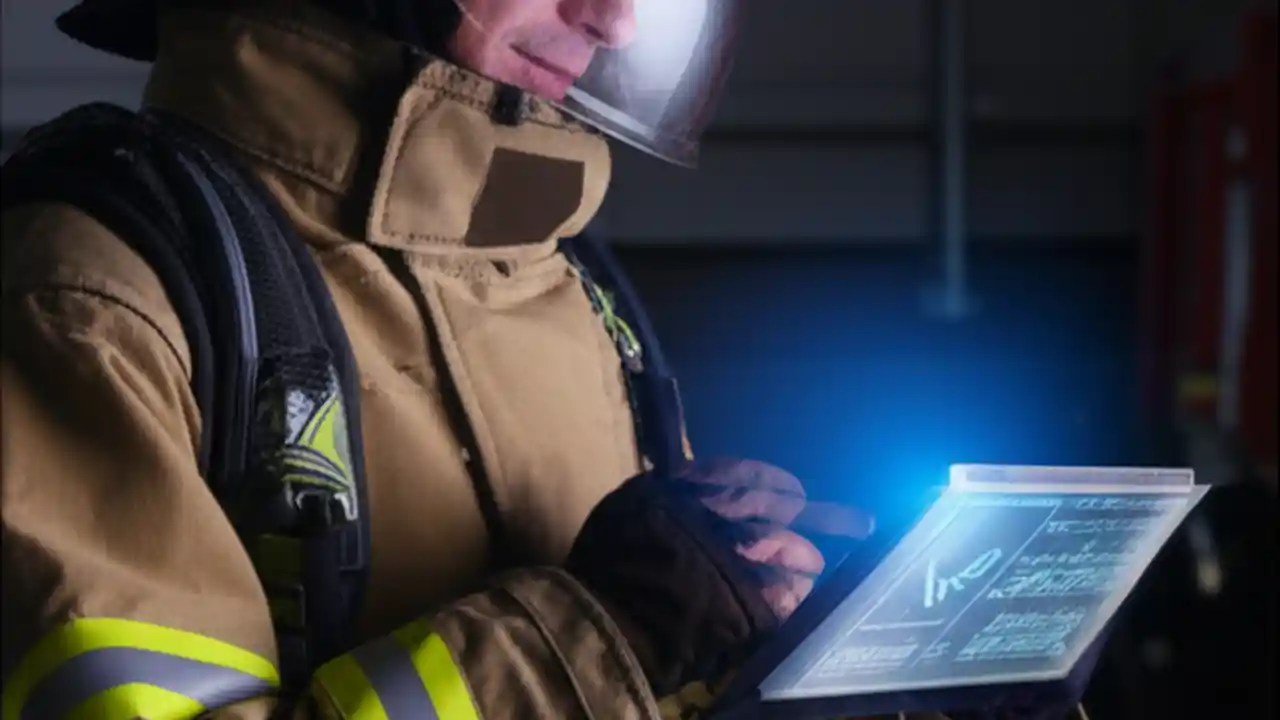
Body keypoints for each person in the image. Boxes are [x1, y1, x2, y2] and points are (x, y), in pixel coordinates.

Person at [0, 2, 1094, 719]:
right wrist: (599, 629)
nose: (611, 19)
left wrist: (844, 669)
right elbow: (601, 646)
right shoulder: (96, 296)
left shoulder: (552, 276)